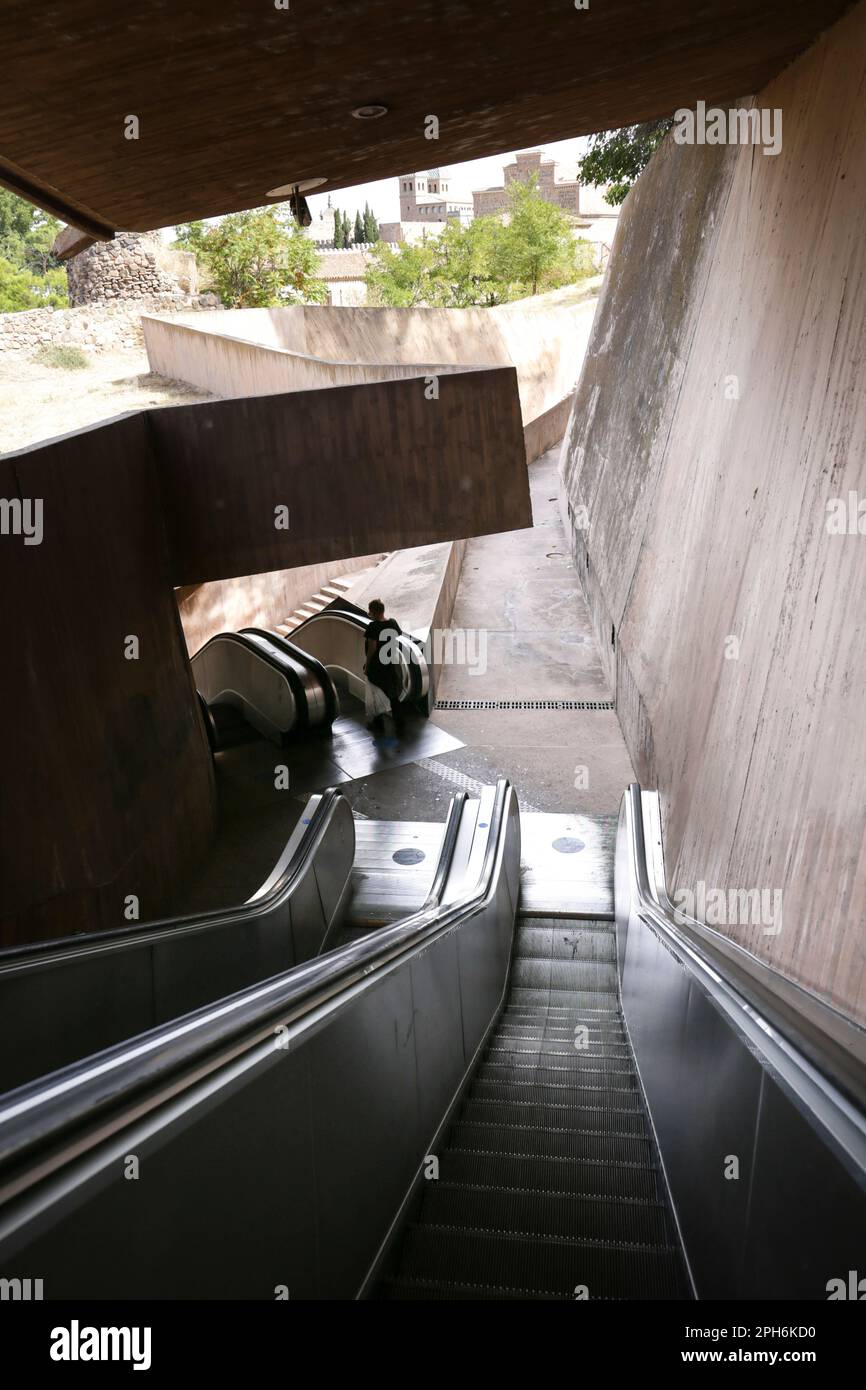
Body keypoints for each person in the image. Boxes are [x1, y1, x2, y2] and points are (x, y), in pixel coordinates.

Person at [364, 599, 405, 735]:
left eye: (370, 611)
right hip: (390, 664)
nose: (369, 614)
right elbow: (398, 635)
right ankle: (400, 723)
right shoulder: (392, 623)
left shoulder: (373, 627)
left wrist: (367, 664)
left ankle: (378, 725)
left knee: (376, 693)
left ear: (374, 612)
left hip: (377, 666)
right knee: (393, 695)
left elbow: (372, 648)